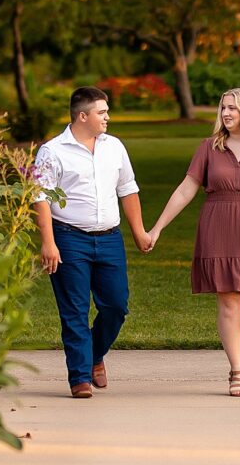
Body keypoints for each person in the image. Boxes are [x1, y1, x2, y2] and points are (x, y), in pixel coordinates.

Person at [148, 87, 240, 397]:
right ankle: (237, 371)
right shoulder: (208, 148)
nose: (226, 114)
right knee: (229, 302)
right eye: (224, 108)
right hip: (219, 229)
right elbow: (186, 190)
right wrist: (157, 228)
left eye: (233, 109)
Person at [32, 86, 153, 398]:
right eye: (102, 112)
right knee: (74, 310)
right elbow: (40, 197)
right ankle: (80, 377)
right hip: (69, 238)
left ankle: (95, 354)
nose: (108, 117)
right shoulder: (52, 151)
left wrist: (139, 232)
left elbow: (128, 188)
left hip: (110, 239)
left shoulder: (114, 147)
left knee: (116, 306)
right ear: (82, 116)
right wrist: (48, 242)